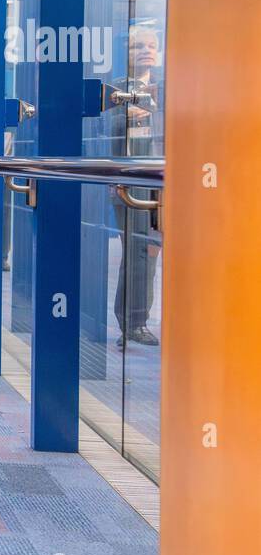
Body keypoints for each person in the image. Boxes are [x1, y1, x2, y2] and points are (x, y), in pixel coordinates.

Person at [113, 24, 163, 346]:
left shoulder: (168, 89)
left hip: (163, 181)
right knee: (137, 252)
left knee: (151, 253)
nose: (145, 51)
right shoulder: (118, 90)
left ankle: (137, 318)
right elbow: (109, 135)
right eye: (137, 46)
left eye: (150, 46)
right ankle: (132, 323)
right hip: (131, 182)